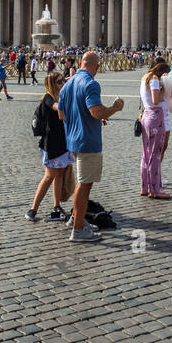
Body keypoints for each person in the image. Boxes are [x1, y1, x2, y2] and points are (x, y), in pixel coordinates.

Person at [58, 50, 125, 243]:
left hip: (72, 140)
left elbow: (62, 115)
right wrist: (114, 108)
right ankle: (78, 230)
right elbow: (95, 112)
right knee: (84, 185)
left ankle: (75, 219)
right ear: (95, 66)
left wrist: (88, 118)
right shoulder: (91, 83)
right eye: (98, 67)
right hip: (87, 141)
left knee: (81, 181)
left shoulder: (67, 84)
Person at [27, 72, 73, 222]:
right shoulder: (48, 97)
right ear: (52, 85)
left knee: (59, 174)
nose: (63, 84)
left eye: (63, 81)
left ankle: (57, 206)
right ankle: (33, 209)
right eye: (60, 82)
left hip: (62, 142)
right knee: (49, 176)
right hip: (51, 144)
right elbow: (56, 107)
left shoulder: (61, 95)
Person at [139, 60, 171, 199]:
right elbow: (156, 99)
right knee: (155, 155)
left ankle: (145, 187)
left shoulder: (144, 77)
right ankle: (155, 190)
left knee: (146, 155)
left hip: (146, 116)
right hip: (155, 117)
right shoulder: (154, 79)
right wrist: (163, 89)